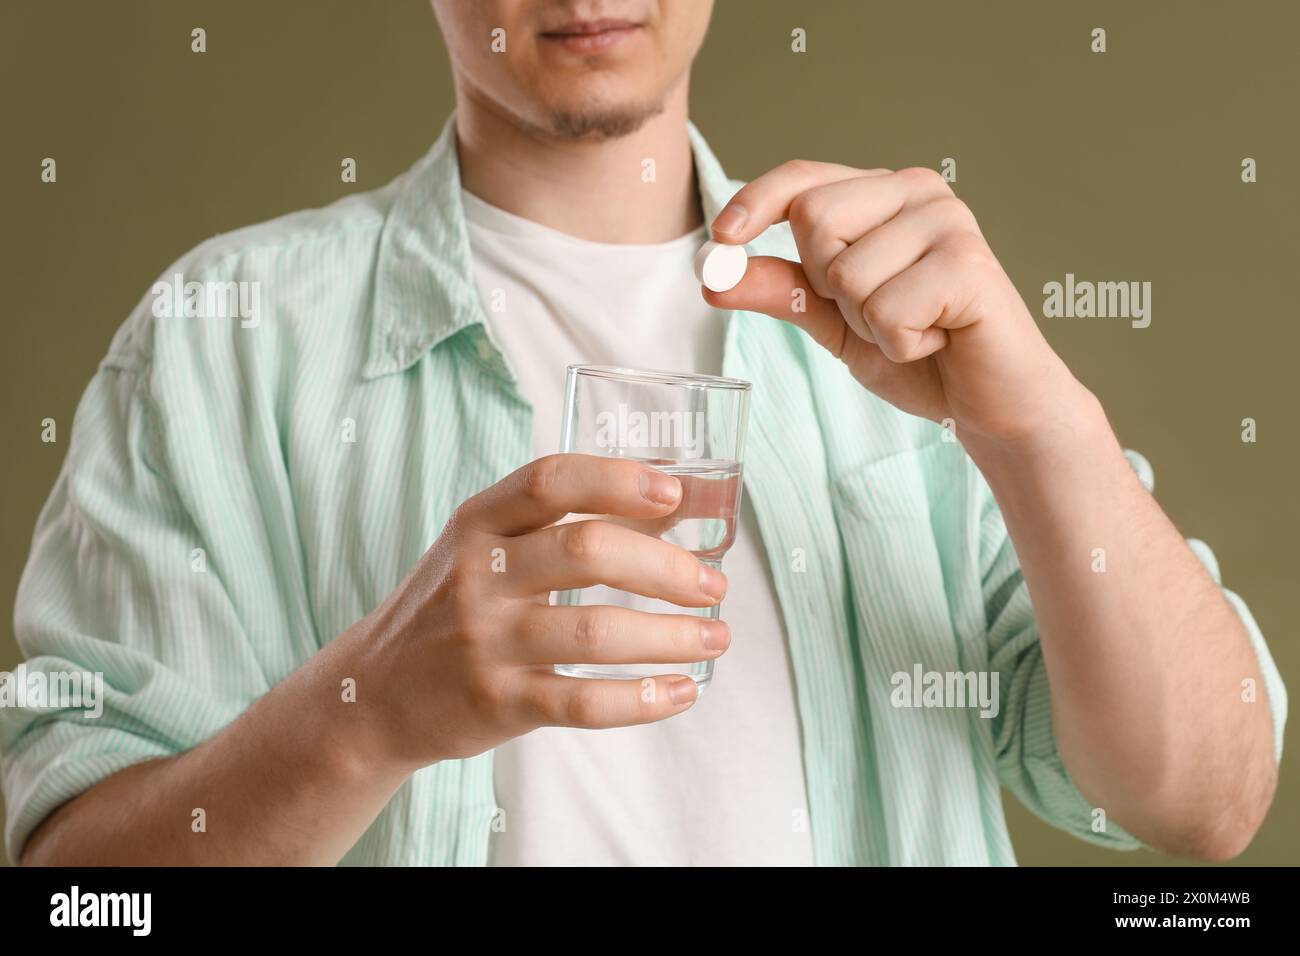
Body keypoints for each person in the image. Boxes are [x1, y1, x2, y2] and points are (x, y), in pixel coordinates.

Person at [3, 0, 1284, 867]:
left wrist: (1041, 426)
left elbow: (1208, 798)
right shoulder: (218, 340)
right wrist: (367, 713)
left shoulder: (914, 326)